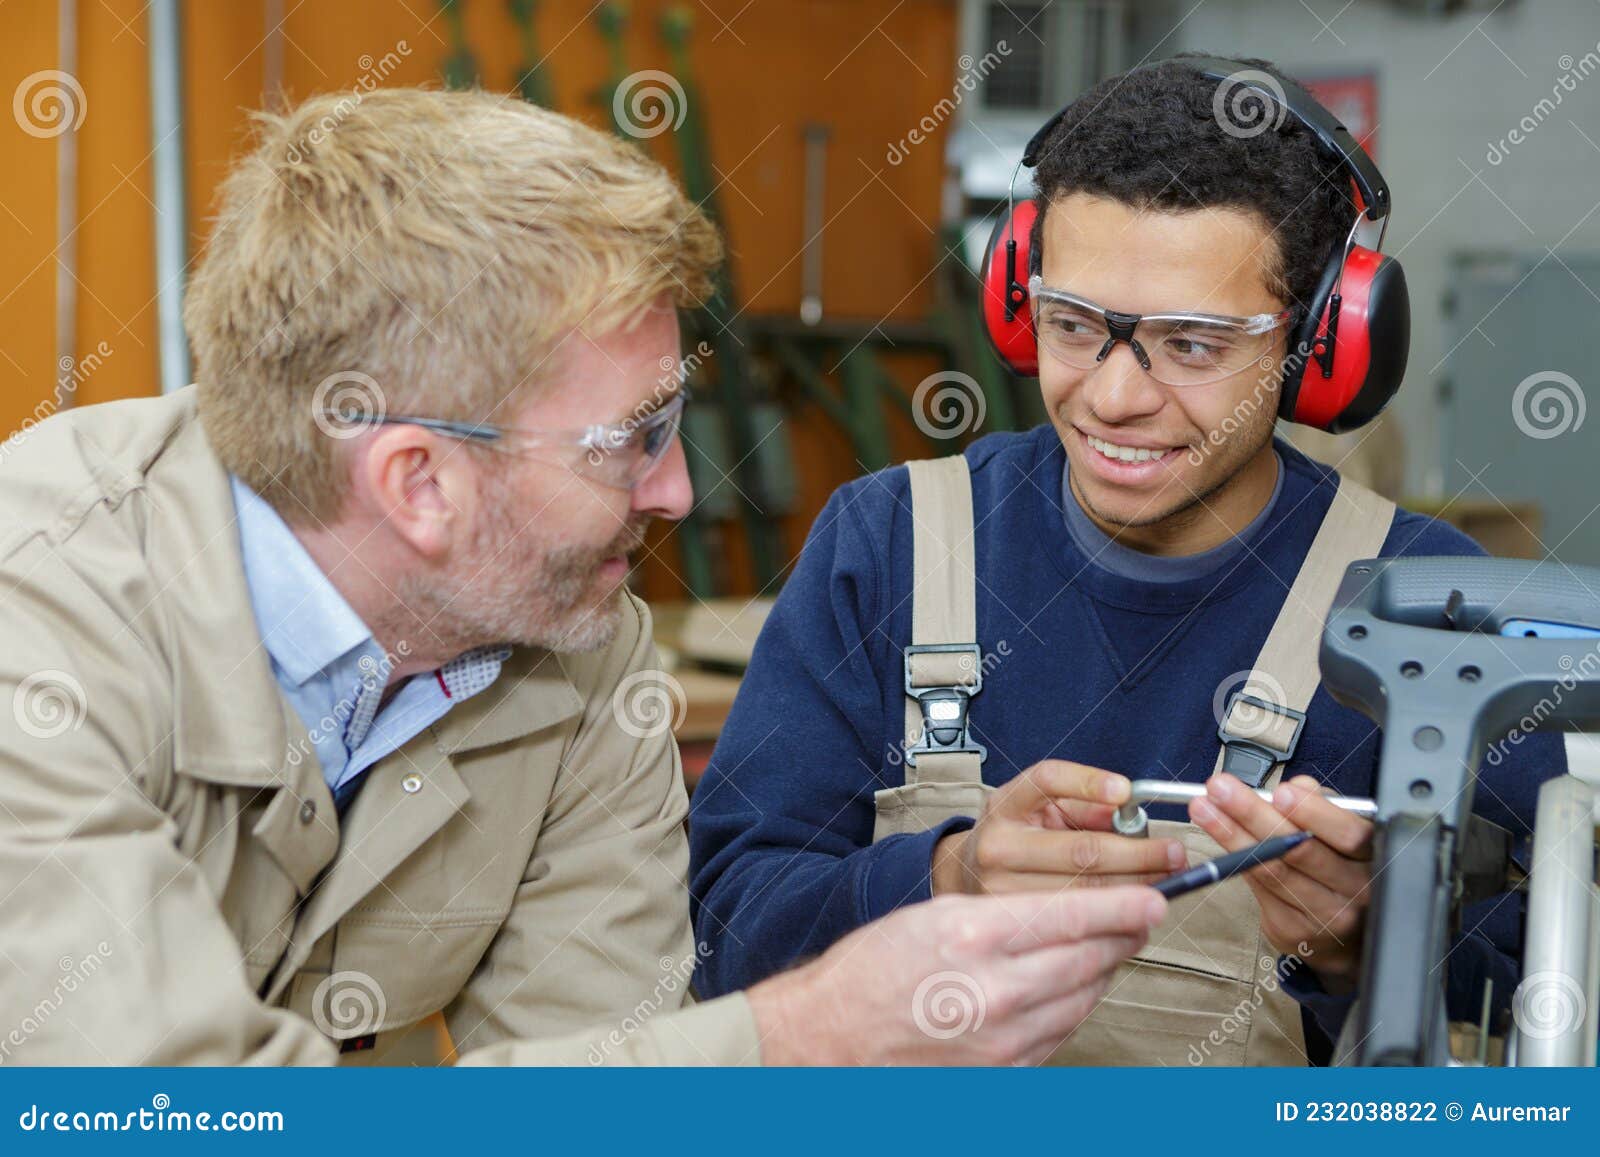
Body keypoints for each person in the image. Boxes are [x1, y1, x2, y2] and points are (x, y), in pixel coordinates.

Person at [0, 88, 1165, 1066]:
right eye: (631, 439)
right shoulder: (39, 613)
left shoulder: (570, 630)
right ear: (417, 483)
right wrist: (800, 1032)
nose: (672, 492)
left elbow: (602, 1071)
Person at [688, 55, 1565, 1065]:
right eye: (1070, 326)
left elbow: (1545, 1010)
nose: (1111, 397)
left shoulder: (1432, 614)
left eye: (1190, 345)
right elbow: (725, 935)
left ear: (1321, 343)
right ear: (1018, 303)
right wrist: (945, 878)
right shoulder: (885, 544)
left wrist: (1371, 944)